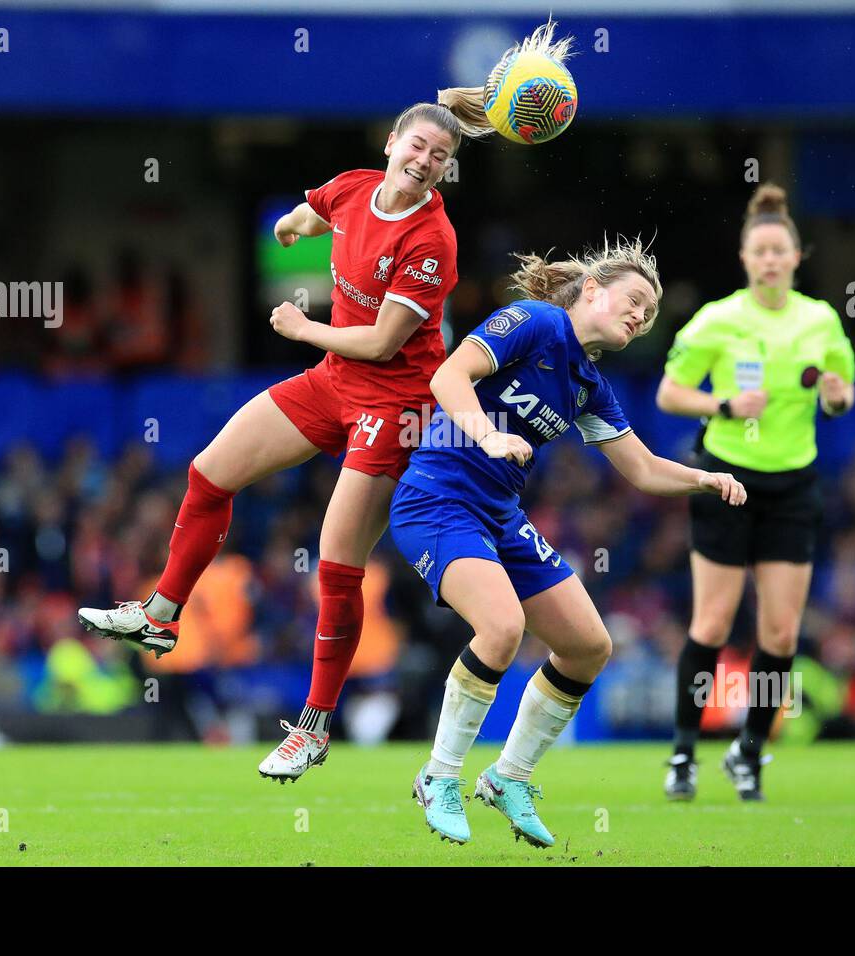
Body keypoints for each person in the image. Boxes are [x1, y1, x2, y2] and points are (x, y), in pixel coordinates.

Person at [75, 28, 557, 780]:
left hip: (393, 401)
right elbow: (314, 212)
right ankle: (161, 615)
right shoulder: (354, 186)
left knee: (337, 566)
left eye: (441, 158)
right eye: (418, 147)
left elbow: (384, 339)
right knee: (209, 473)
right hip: (332, 382)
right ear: (393, 143)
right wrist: (294, 222)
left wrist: (301, 326)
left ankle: (314, 728)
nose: (426, 162)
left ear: (445, 171)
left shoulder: (433, 240)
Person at [390, 239, 746, 846]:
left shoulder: (588, 385)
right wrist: (487, 436)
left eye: (649, 315)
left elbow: (642, 469)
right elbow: (450, 375)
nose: (639, 316)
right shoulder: (536, 321)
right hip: (437, 499)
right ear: (590, 290)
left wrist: (703, 476)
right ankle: (439, 775)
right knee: (500, 629)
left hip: (499, 516)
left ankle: (509, 778)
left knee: (587, 647)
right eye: (633, 300)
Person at [656, 183, 855, 801]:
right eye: (760, 250)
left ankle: (749, 753)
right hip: (725, 478)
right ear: (745, 258)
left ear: (797, 257)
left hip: (793, 486)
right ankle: (684, 752)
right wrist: (722, 403)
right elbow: (669, 393)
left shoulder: (820, 319)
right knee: (712, 624)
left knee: (781, 637)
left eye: (780, 250)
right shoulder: (718, 318)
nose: (770, 259)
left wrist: (833, 396)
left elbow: (843, 393)